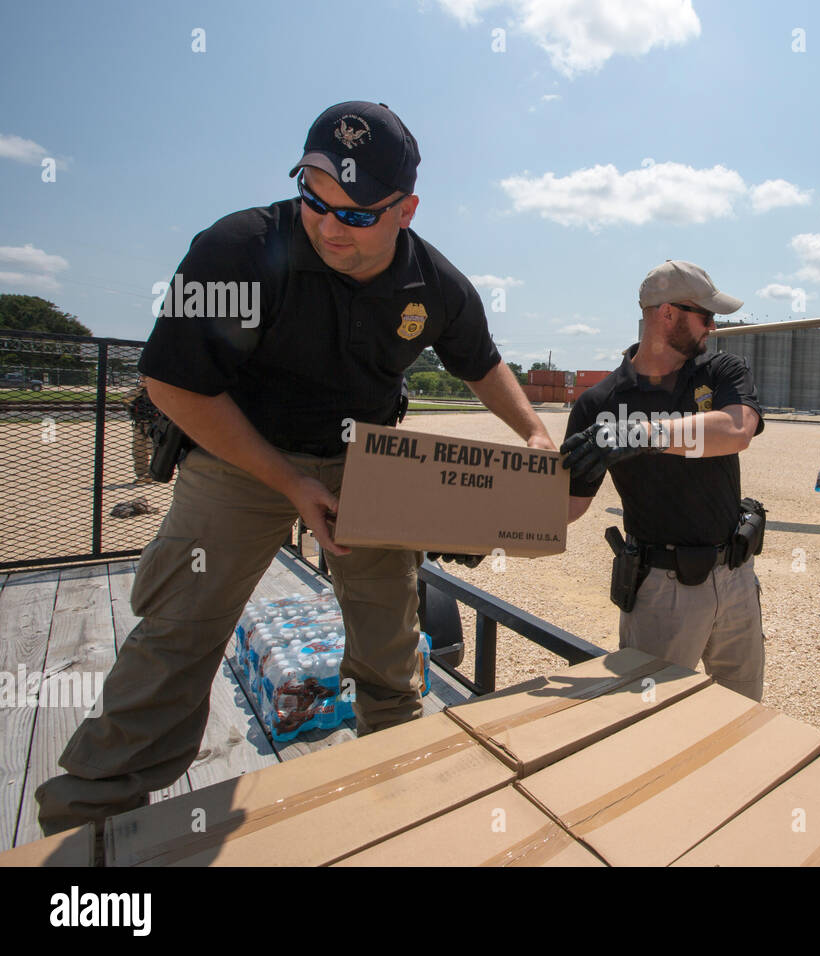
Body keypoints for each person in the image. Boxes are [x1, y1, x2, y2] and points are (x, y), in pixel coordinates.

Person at [36, 101, 555, 837]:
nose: (329, 223)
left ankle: (401, 791)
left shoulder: (436, 283)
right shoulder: (237, 249)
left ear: (406, 210)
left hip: (368, 466)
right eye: (313, 196)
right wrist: (288, 482)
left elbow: (480, 360)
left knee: (389, 637)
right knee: (180, 633)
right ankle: (84, 821)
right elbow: (173, 383)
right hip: (239, 458)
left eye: (357, 213)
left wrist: (534, 432)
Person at [561, 260, 765, 701]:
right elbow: (569, 506)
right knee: (647, 721)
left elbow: (735, 432)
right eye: (705, 316)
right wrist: (489, 532)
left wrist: (637, 434)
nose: (713, 326)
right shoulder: (600, 404)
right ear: (667, 314)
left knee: (743, 712)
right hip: (661, 591)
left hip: (736, 578)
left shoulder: (720, 371)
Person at [124, 374, 159, 482]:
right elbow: (126, 399)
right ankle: (141, 474)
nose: (142, 380)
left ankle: (153, 474)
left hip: (153, 424)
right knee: (138, 450)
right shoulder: (137, 392)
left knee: (152, 448)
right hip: (140, 425)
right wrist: (140, 390)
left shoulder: (157, 391)